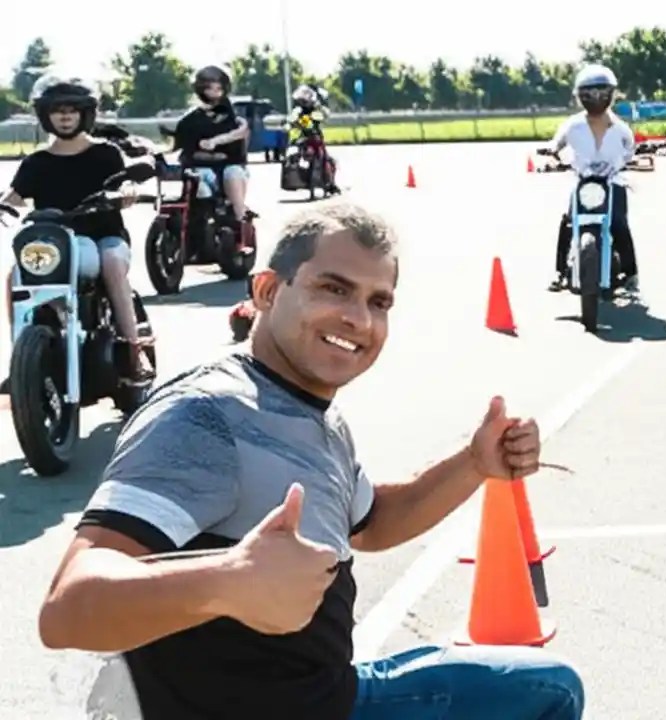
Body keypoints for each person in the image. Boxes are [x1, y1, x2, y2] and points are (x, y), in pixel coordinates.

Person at [37, 200, 586, 720]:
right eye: (334, 288)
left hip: (323, 690)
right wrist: (226, 580)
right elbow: (68, 609)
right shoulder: (206, 416)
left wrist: (472, 464)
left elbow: (370, 524)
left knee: (534, 680)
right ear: (269, 290)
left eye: (379, 302)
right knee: (547, 692)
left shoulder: (307, 407)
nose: (359, 319)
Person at [0, 70, 154, 388]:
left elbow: (124, 179)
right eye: (58, 110)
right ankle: (22, 359)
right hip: (56, 244)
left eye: (73, 110)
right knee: (15, 273)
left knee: (111, 262)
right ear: (46, 115)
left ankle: (132, 350)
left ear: (86, 113)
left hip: (104, 238)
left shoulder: (105, 152)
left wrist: (127, 191)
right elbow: (12, 197)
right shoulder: (37, 161)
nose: (66, 116)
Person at [544, 63, 639, 293]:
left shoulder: (621, 129)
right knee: (568, 222)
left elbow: (630, 150)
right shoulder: (573, 125)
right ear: (580, 96)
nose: (596, 97)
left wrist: (629, 162)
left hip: (612, 183)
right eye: (590, 93)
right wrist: (551, 152)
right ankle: (559, 272)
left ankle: (630, 273)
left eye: (601, 92)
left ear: (611, 94)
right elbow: (556, 143)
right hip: (583, 182)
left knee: (619, 223)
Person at [173, 65, 252, 226]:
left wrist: (215, 142)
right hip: (200, 168)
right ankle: (199, 224)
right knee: (200, 179)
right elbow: (183, 148)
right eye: (209, 88)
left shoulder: (233, 117)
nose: (214, 92)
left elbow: (241, 133)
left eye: (218, 88)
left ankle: (240, 219)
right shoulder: (190, 119)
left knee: (233, 172)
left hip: (230, 167)